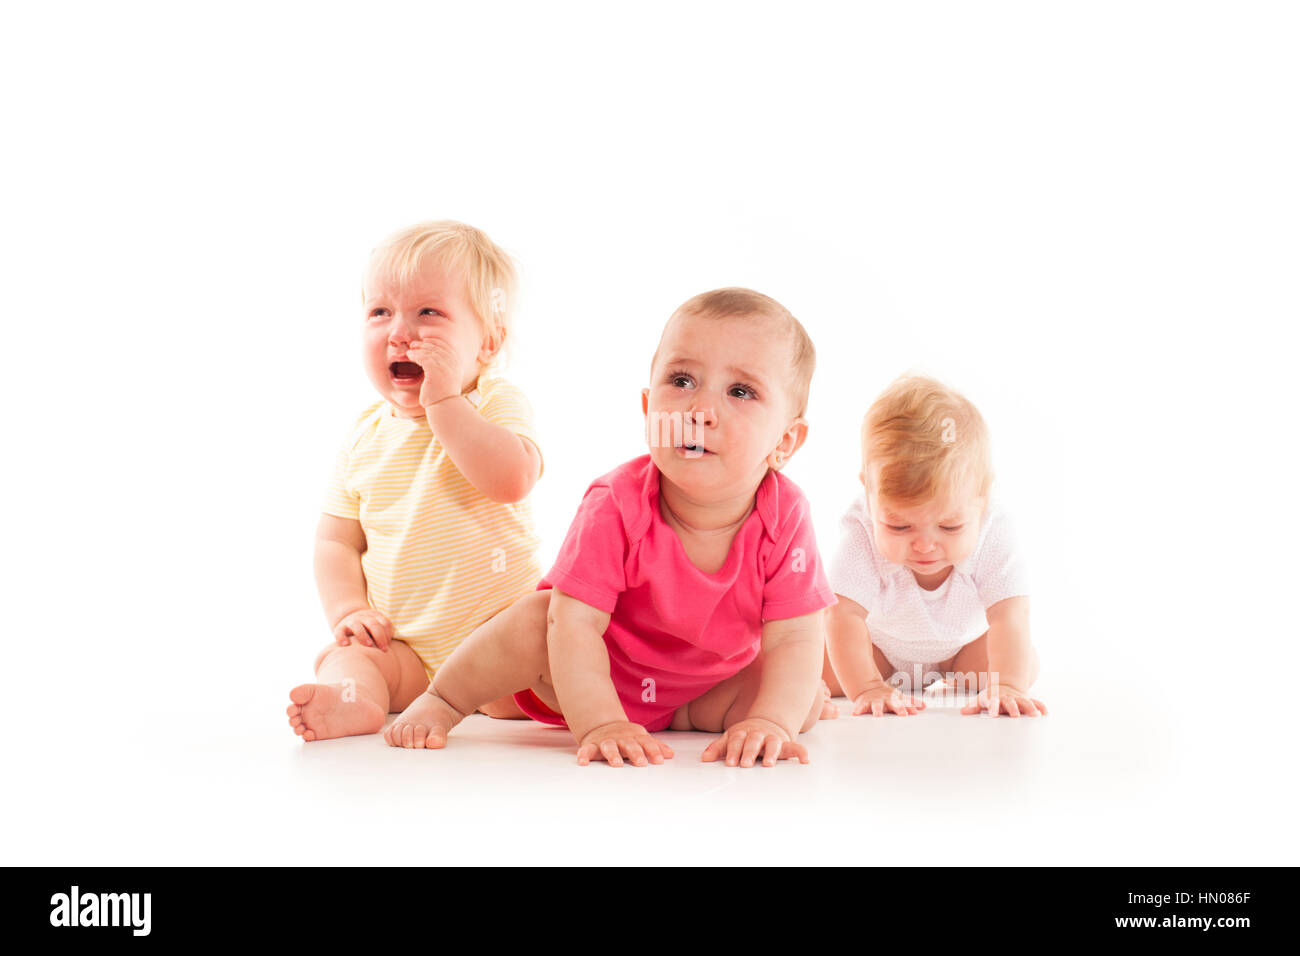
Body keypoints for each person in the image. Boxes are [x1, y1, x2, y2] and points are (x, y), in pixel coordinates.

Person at [386, 288, 836, 767]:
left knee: (798, 697)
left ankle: (686, 717)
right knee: (539, 618)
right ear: (648, 410)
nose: (699, 410)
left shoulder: (785, 513)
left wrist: (770, 721)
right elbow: (575, 625)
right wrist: (601, 722)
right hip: (582, 676)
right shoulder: (617, 502)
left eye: (740, 392)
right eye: (681, 381)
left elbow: (794, 637)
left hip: (699, 690)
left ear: (785, 441)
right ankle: (447, 697)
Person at [287, 221, 542, 741]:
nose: (400, 332)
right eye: (380, 312)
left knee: (558, 647)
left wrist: (445, 402)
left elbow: (513, 480)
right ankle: (352, 704)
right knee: (348, 659)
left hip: (500, 642)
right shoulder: (363, 435)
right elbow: (336, 539)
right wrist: (349, 609)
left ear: (488, 343)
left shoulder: (491, 402)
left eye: (429, 312)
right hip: (405, 650)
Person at [824, 374, 1046, 718]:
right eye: (898, 525)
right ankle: (879, 680)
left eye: (950, 526)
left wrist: (1009, 687)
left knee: (1022, 664)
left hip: (962, 651)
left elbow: (1009, 614)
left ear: (981, 500)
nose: (925, 545)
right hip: (879, 650)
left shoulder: (993, 529)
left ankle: (959, 676)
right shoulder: (861, 529)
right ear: (869, 495)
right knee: (812, 663)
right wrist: (866, 687)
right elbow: (842, 614)